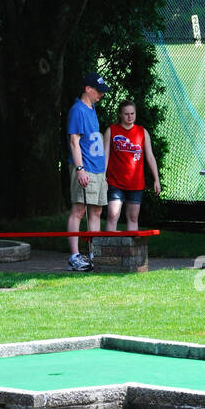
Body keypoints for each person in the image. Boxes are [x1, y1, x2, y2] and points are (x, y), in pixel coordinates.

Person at [66, 73, 110, 270]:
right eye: (98, 90)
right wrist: (80, 169)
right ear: (87, 89)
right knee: (78, 210)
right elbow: (74, 141)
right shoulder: (77, 110)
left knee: (96, 211)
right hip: (85, 169)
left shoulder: (92, 109)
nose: (101, 94)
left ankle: (94, 253)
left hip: (98, 169)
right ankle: (75, 256)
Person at [104, 100, 161, 232]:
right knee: (113, 215)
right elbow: (105, 156)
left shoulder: (142, 132)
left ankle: (131, 251)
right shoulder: (111, 130)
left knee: (133, 217)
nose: (130, 117)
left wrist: (156, 179)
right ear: (120, 114)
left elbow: (150, 157)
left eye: (132, 113)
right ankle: (109, 249)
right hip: (115, 181)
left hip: (135, 182)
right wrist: (103, 177)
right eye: (126, 114)